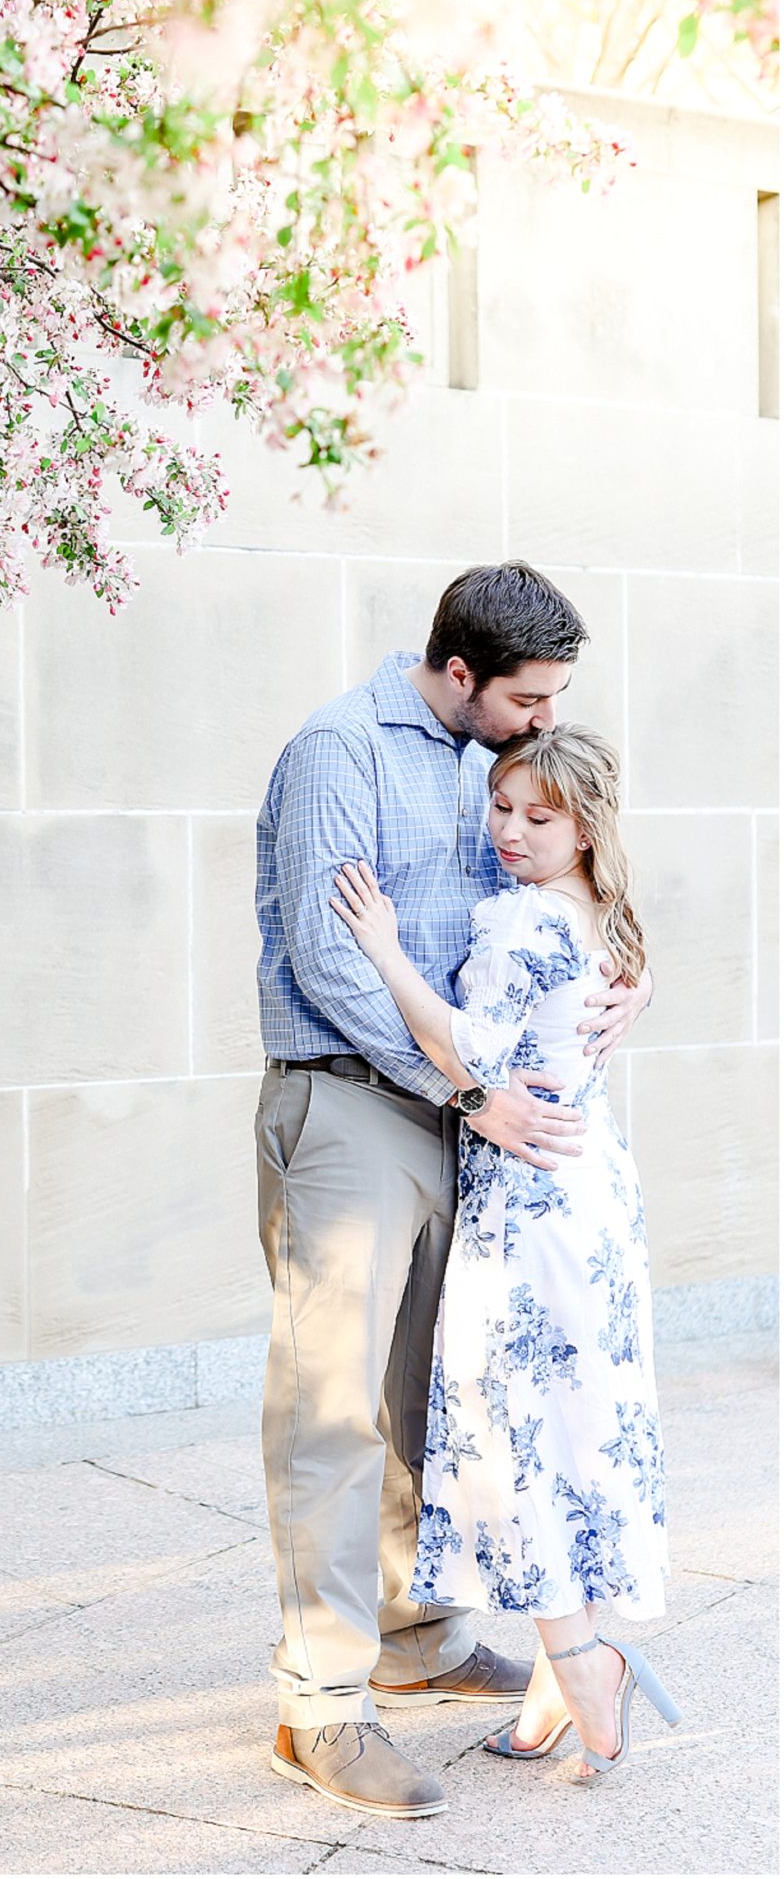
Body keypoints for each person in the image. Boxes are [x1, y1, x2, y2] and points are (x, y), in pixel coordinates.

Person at [255, 562, 653, 1821]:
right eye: (528, 697)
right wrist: (473, 1087)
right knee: (332, 1406)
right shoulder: (339, 751)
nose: (543, 718)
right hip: (356, 1099)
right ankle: (320, 1706)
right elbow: (331, 951)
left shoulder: (494, 762)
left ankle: (416, 1630)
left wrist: (624, 982)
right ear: (462, 674)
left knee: (436, 1389)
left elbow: (559, 889)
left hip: (468, 1118)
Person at [330, 724, 677, 1782]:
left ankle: (587, 1664)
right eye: (503, 807)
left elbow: (467, 1049)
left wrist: (384, 944)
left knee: (523, 1434)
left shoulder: (524, 920)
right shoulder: (603, 912)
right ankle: (550, 1693)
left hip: (532, 1207)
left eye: (540, 815)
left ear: (585, 826)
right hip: (595, 1195)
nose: (511, 831)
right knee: (583, 1429)